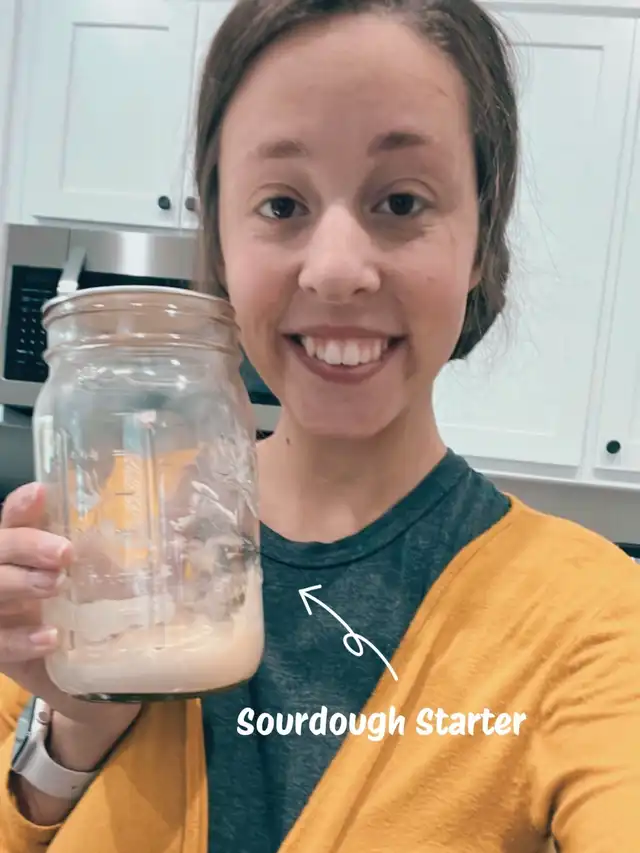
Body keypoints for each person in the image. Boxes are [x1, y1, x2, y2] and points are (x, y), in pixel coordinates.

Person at [1, 0, 640, 850]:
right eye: (281, 205)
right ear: (221, 240)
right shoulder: (107, 543)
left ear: (480, 239)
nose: (336, 270)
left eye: (402, 200)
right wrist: (74, 728)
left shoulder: (590, 616)